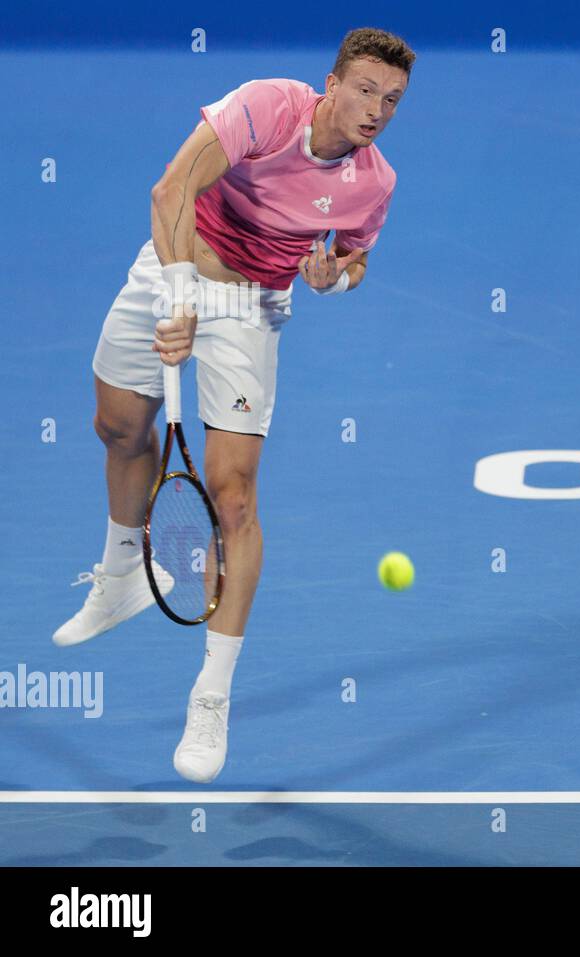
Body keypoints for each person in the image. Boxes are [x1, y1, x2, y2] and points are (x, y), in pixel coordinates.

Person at [53, 27, 415, 784]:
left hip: (252, 307)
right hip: (172, 263)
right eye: (365, 91)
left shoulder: (372, 182)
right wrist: (180, 292)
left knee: (234, 494)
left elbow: (357, 259)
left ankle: (211, 696)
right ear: (331, 84)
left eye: (392, 99)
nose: (377, 109)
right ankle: (122, 574)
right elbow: (171, 189)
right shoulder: (266, 109)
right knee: (118, 427)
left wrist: (333, 281)